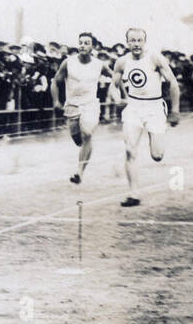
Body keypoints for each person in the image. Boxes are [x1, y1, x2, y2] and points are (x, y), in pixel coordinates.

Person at [111, 27, 180, 207]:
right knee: (129, 150)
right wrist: (117, 98)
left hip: (155, 107)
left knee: (157, 155)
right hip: (133, 107)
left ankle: (158, 136)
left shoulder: (155, 58)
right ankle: (134, 194)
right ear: (127, 42)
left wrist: (175, 111)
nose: (136, 44)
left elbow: (173, 83)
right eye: (132, 40)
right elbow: (113, 84)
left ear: (144, 42)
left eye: (139, 40)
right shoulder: (121, 61)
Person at [52, 32, 105, 184]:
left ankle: (79, 172)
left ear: (93, 46)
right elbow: (55, 82)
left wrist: (122, 93)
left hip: (91, 105)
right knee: (78, 140)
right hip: (72, 106)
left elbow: (116, 76)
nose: (82, 45)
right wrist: (56, 101)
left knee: (87, 133)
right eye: (80, 42)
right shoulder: (68, 62)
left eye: (86, 43)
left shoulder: (99, 64)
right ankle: (85, 151)